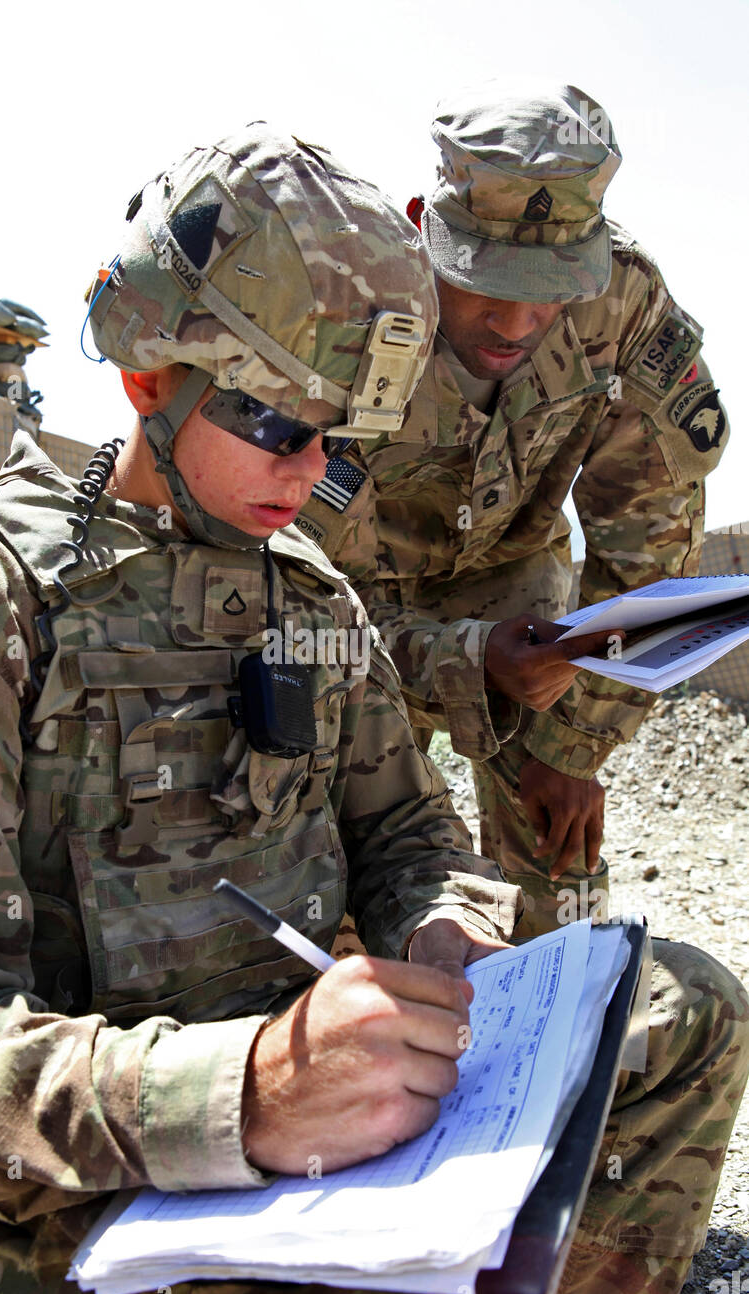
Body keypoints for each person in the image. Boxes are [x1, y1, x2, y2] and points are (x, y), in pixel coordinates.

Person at [0, 124, 744, 1294]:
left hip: (332, 1133)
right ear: (148, 378)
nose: (305, 474)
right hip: (94, 1188)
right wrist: (236, 1094)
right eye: (278, 428)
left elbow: (408, 835)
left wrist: (447, 930)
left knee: (684, 1009)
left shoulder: (310, 596)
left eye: (337, 439)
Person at [297, 84, 731, 938]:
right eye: (486, 283)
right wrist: (460, 662)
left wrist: (574, 747)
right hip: (340, 607)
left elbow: (654, 556)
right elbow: (281, 582)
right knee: (326, 883)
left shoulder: (625, 311)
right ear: (426, 226)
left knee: (559, 887)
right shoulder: (343, 309)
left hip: (510, 579)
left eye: (552, 289)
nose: (518, 320)